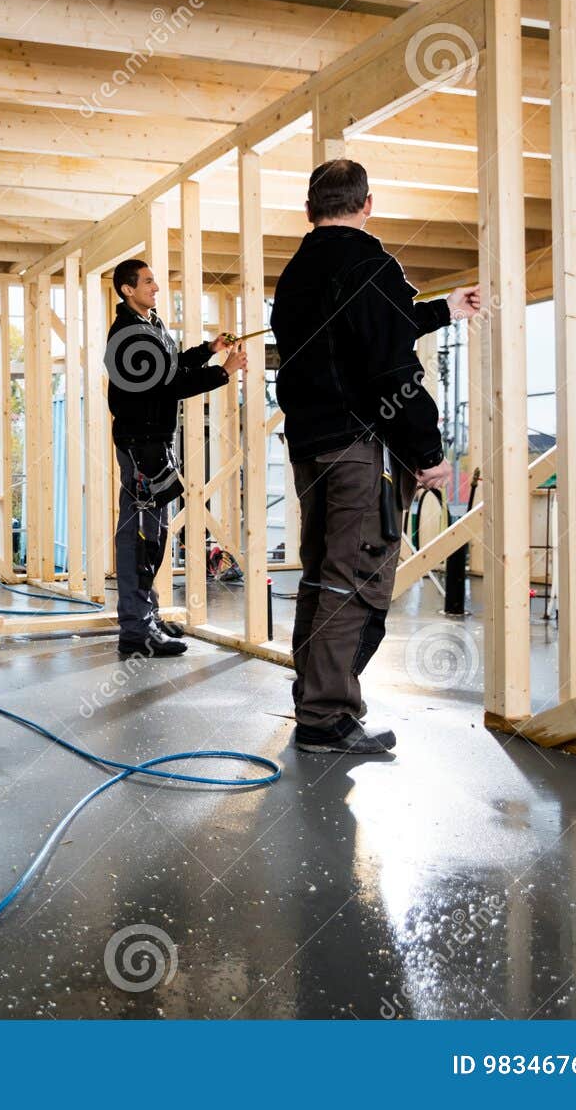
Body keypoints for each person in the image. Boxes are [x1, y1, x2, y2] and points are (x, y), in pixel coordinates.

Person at [270, 159, 481, 754]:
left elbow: (364, 329)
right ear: (368, 204)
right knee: (354, 578)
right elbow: (391, 365)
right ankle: (328, 717)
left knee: (321, 573)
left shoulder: (297, 273)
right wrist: (429, 452)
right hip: (359, 447)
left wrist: (444, 309)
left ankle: (313, 700)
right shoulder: (371, 263)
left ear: (311, 209)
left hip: (311, 446)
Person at [105, 258, 247, 657]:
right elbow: (169, 384)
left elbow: (171, 367)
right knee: (140, 535)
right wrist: (223, 371)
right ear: (127, 289)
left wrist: (208, 350)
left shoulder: (151, 325)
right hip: (141, 444)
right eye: (148, 282)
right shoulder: (129, 332)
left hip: (154, 443)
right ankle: (136, 630)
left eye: (155, 281)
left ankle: (144, 615)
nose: (156, 287)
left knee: (155, 530)